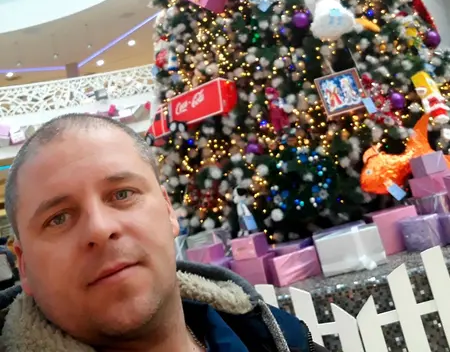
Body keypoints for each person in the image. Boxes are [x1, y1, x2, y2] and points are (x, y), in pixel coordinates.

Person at [0, 113, 327, 352]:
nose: (100, 228)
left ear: (169, 210)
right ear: (24, 265)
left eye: (122, 194)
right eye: (58, 218)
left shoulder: (281, 338)